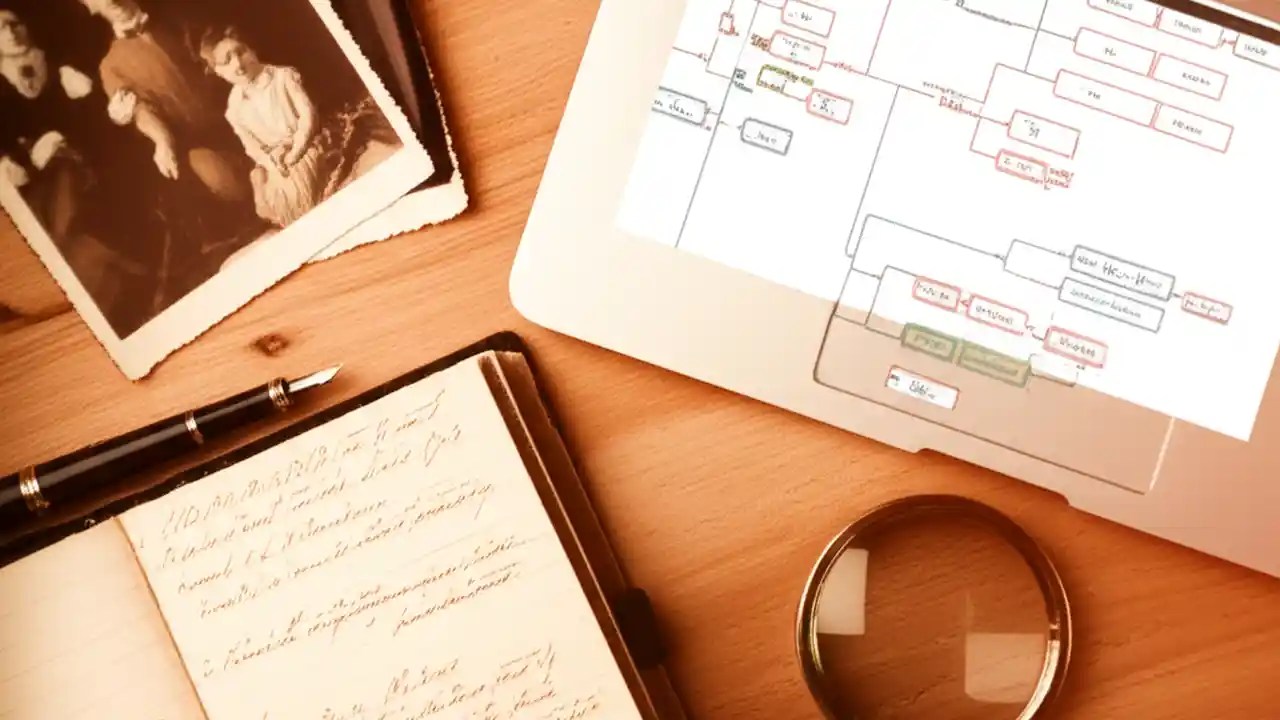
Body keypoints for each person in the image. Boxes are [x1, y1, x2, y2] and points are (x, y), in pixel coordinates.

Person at [77, 0, 260, 253]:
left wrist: (221, 56)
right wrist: (162, 141)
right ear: (89, 6)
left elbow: (217, 45)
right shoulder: (111, 66)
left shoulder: (179, 18)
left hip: (241, 114)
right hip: (199, 144)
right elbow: (141, 111)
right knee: (220, 178)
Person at [198, 24, 401, 228]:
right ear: (218, 72)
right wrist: (272, 161)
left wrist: (296, 151)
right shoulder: (234, 110)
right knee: (277, 194)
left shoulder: (282, 77)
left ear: (252, 49)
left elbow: (307, 116)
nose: (237, 64)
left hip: (307, 143)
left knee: (303, 186)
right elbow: (252, 147)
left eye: (241, 52)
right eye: (226, 61)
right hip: (277, 159)